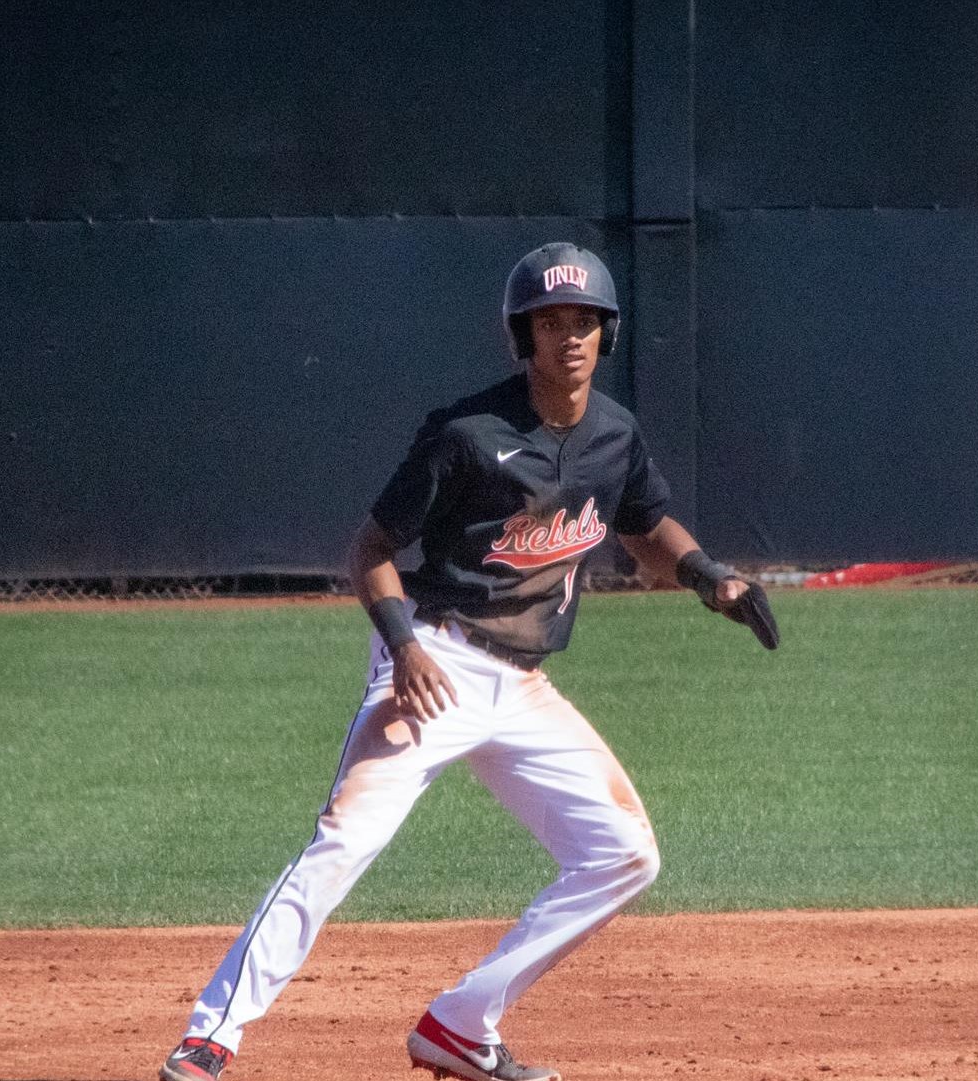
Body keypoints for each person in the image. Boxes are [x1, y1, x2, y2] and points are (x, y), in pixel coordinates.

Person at [161, 242, 776, 1081]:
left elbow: (643, 527)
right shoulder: (466, 433)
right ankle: (212, 1032)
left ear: (608, 335)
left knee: (625, 852)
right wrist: (402, 645)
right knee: (343, 843)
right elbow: (371, 548)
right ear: (521, 335)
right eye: (551, 321)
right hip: (436, 660)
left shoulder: (613, 435)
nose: (569, 337)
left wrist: (709, 575)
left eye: (585, 322)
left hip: (525, 687)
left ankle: (460, 1022)